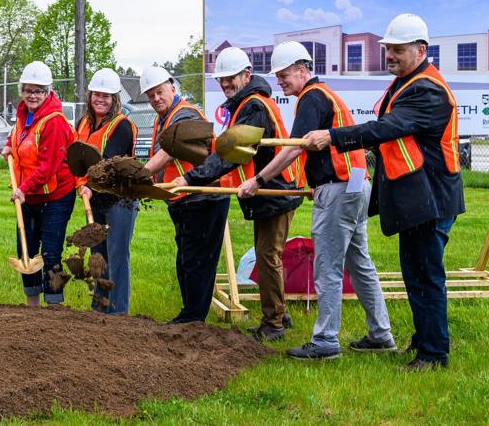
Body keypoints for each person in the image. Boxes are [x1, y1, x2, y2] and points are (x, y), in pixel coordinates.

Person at [302, 14, 464, 370]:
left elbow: (389, 127)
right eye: (387, 49)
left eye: (398, 50)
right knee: (417, 272)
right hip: (419, 196)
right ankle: (424, 340)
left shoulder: (427, 89)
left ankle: (434, 354)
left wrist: (333, 136)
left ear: (421, 50)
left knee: (425, 275)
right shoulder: (408, 82)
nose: (390, 55)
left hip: (431, 197)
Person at [237, 41, 393, 360]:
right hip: (356, 184)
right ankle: (381, 334)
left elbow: (294, 147)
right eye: (277, 75)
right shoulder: (327, 95)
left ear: (302, 69)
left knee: (328, 267)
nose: (279, 81)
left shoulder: (310, 98)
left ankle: (325, 340)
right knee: (359, 263)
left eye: (284, 74)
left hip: (338, 187)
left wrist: (258, 179)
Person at [173, 47, 303, 341]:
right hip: (272, 189)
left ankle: (273, 325)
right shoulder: (247, 103)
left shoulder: (253, 106)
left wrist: (190, 176)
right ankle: (279, 313)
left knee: (268, 255)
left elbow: (234, 153)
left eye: (231, 78)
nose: (226, 84)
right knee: (268, 254)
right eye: (221, 80)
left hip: (275, 189)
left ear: (246, 75)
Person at [139, 66, 229, 324]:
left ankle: (193, 319)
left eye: (159, 92)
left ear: (172, 87)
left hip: (203, 196)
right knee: (187, 259)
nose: (156, 98)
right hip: (184, 196)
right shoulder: (164, 117)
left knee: (197, 260)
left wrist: (140, 174)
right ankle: (190, 314)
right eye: (151, 95)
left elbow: (168, 153)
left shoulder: (184, 114)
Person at [2, 61, 77, 307]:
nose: (33, 95)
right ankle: (32, 310)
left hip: (55, 195)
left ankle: (54, 308)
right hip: (29, 195)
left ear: (48, 92)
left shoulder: (54, 121)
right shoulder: (24, 113)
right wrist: (9, 145)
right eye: (28, 90)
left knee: (51, 253)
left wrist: (22, 189)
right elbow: (22, 138)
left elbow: (48, 168)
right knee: (28, 250)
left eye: (39, 91)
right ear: (22, 90)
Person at [76, 68, 138, 314]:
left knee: (116, 257)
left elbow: (110, 164)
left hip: (119, 200)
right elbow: (76, 156)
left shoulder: (121, 126)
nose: (100, 100)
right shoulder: (84, 122)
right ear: (90, 96)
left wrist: (89, 186)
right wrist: (80, 184)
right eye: (96, 95)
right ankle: (99, 307)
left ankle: (118, 313)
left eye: (107, 96)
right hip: (95, 199)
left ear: (115, 99)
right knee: (98, 256)